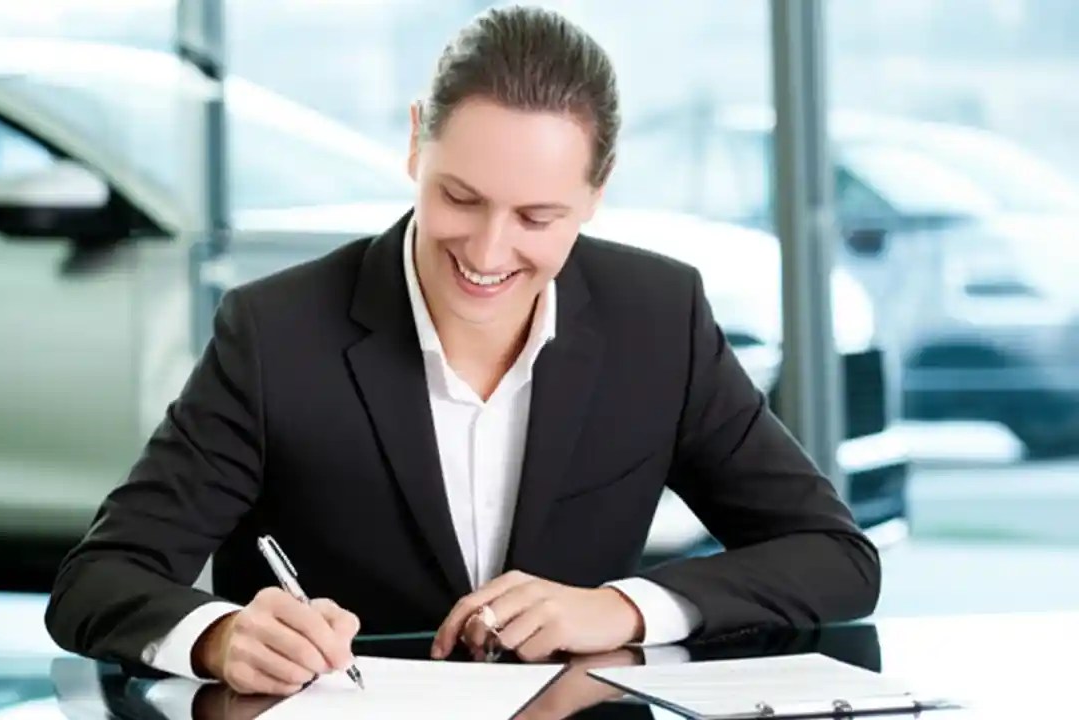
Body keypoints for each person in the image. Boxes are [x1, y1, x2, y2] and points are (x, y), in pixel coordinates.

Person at [45, 4, 880, 697]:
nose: (486, 252)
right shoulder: (276, 331)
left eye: (536, 218)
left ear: (598, 188)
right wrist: (220, 635)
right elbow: (99, 579)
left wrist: (624, 609)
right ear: (416, 143)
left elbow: (836, 557)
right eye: (460, 197)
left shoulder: (658, 319)